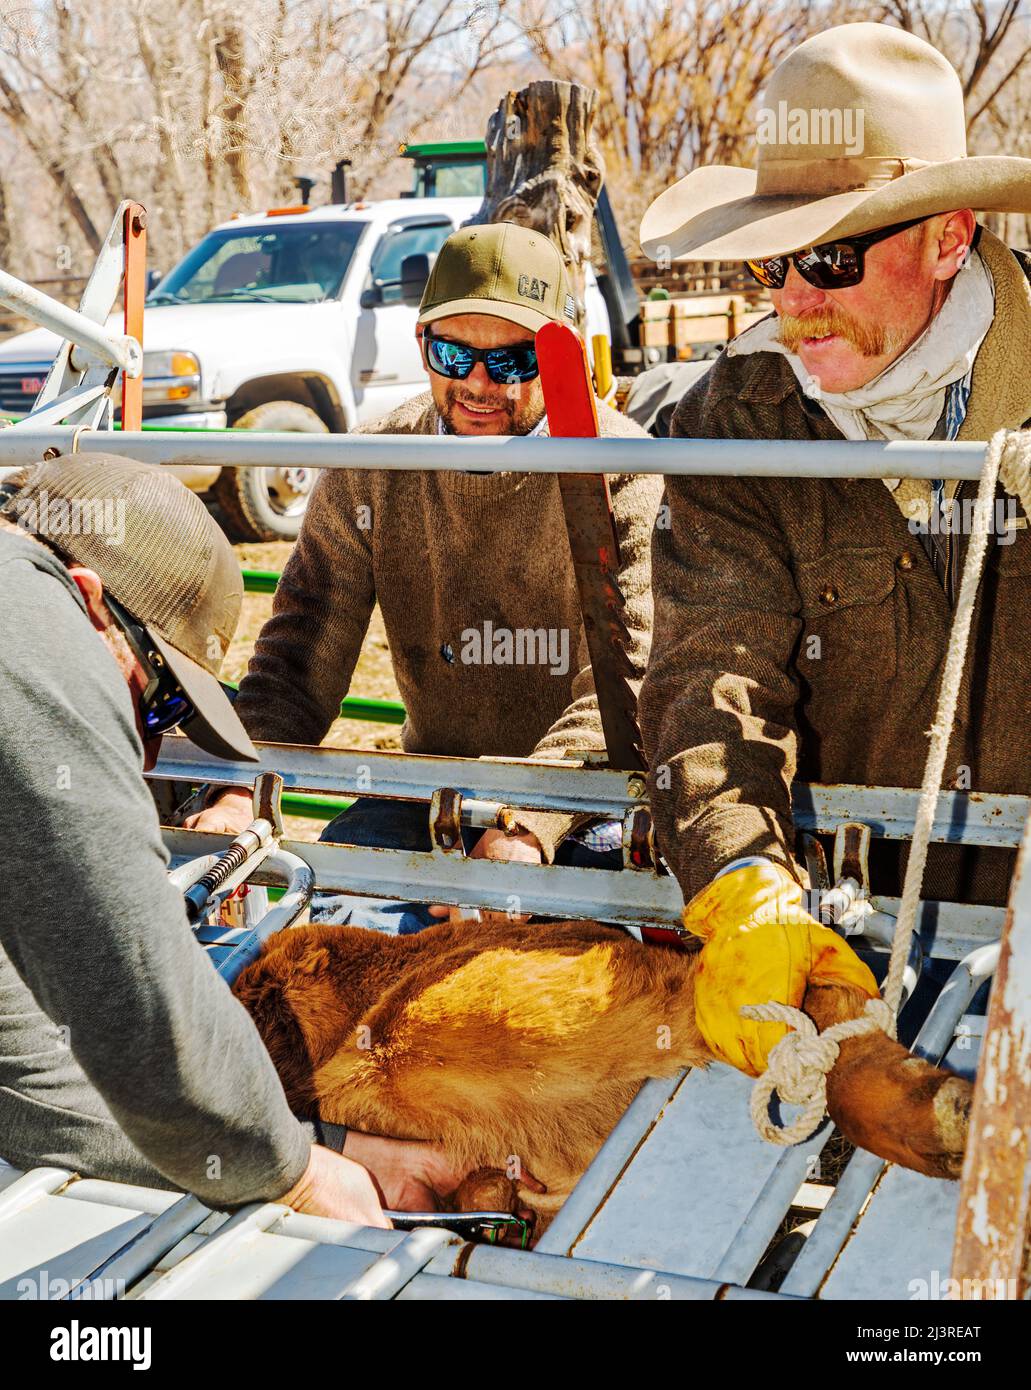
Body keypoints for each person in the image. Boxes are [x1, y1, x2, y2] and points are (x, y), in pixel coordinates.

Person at [637, 23, 1031, 1076]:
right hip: (854, 946)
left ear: (947, 239)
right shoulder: (736, 417)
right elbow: (708, 675)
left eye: (826, 257)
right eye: (773, 257)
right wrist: (741, 884)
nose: (788, 299)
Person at [0, 455, 472, 1218]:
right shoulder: (26, 613)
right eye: (157, 706)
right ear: (87, 602)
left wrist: (320, 1148)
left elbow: (24, 1077)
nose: (151, 752)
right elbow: (130, 996)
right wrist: (298, 1177)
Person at [190, 222, 661, 933]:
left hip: (593, 802)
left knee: (567, 991)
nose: (477, 383)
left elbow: (628, 675)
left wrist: (527, 823)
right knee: (318, 939)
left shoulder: (625, 467)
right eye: (454, 353)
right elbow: (296, 656)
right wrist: (243, 791)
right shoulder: (371, 463)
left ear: (557, 356)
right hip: (430, 788)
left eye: (512, 361)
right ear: (420, 346)